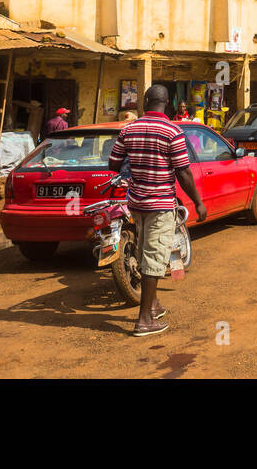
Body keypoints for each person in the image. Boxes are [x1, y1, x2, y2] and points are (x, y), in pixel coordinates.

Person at [107, 85, 207, 337]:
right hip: (160, 204)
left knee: (143, 252)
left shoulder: (128, 129)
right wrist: (198, 202)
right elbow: (183, 171)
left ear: (146, 101)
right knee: (154, 257)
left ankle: (153, 304)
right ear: (167, 104)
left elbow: (113, 163)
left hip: (136, 203)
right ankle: (144, 320)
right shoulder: (173, 131)